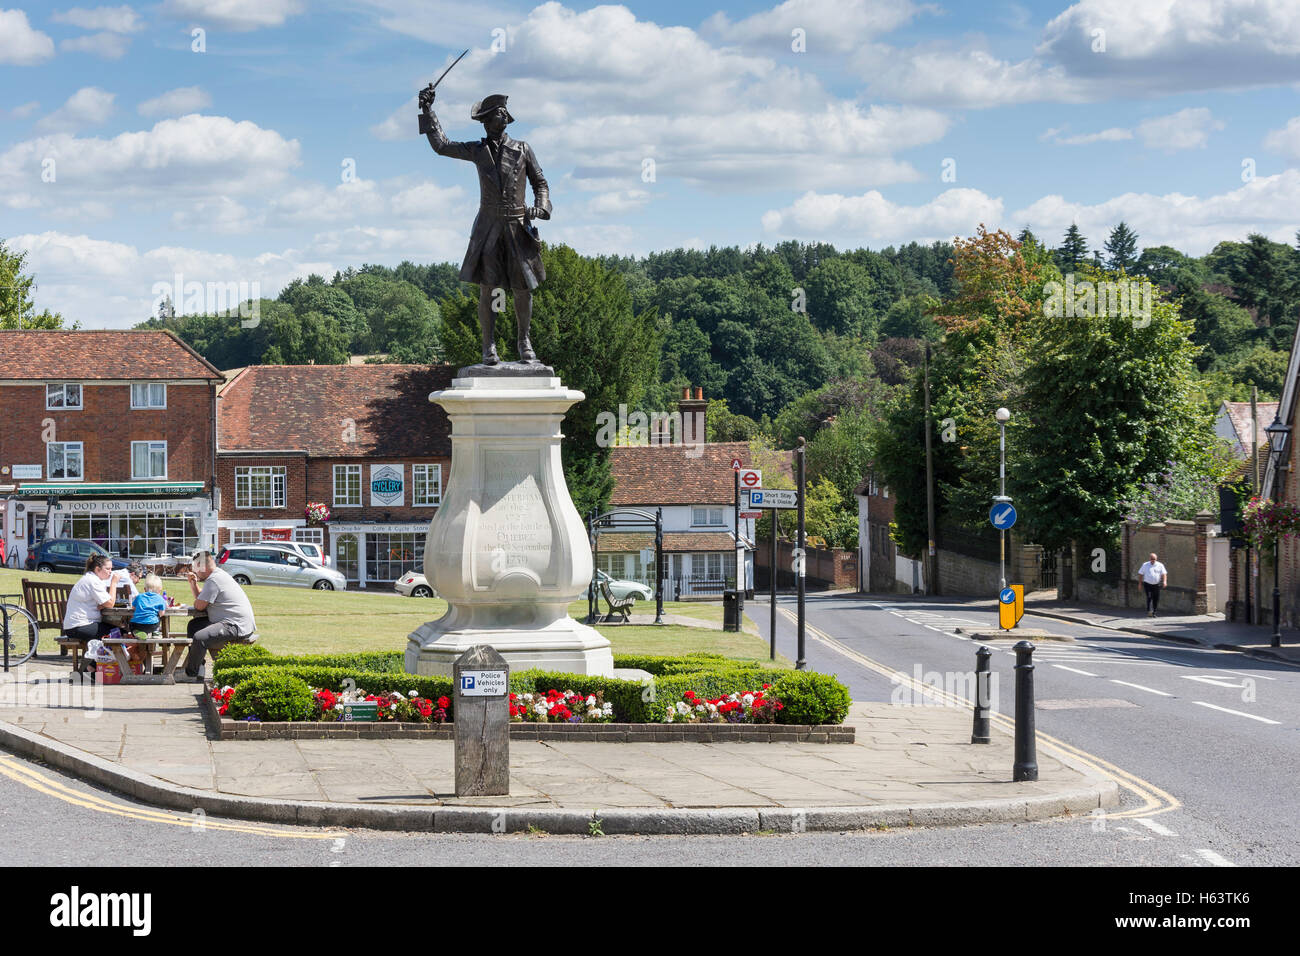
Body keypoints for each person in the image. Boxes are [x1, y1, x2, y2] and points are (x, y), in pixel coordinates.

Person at [419, 86, 550, 365]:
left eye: (503, 113)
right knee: (489, 288)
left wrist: (541, 206)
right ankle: (488, 346)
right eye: (496, 114)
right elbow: (441, 145)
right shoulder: (477, 150)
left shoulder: (523, 149)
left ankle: (524, 341)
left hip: (517, 226)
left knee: (522, 287)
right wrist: (428, 111)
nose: (501, 117)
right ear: (486, 121)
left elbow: (540, 182)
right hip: (489, 227)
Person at [181, 551, 257, 681]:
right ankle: (200, 667)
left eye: (196, 568)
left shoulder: (214, 580)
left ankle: (191, 673)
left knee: (200, 637)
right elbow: (202, 599)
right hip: (232, 621)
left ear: (201, 566)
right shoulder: (218, 575)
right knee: (194, 625)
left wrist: (195, 602)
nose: (195, 571)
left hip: (235, 624)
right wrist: (193, 584)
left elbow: (199, 605)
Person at [61, 554, 126, 647]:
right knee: (122, 634)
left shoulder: (94, 579)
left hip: (79, 625)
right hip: (79, 626)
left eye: (111, 569)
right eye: (108, 569)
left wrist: (103, 604)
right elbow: (110, 603)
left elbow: (104, 603)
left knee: (119, 631)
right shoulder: (92, 581)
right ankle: (99, 660)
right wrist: (114, 582)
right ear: (97, 569)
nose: (110, 572)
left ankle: (95, 661)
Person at [127, 573, 168, 672]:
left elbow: (133, 608)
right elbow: (161, 614)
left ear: (145, 589)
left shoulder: (139, 597)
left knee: (131, 624)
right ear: (159, 590)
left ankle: (136, 632)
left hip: (137, 625)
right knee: (156, 619)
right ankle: (155, 632)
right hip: (151, 626)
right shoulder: (160, 599)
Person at [1137, 552, 1168, 617]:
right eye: (1152, 559)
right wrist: (1139, 584)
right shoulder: (1145, 565)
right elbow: (1140, 574)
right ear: (1150, 558)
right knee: (1149, 597)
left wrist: (1164, 581)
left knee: (1156, 598)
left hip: (1156, 584)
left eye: (1154, 559)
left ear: (1156, 559)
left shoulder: (1160, 565)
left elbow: (1164, 574)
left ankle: (1154, 612)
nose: (1153, 560)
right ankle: (1149, 611)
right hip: (1147, 584)